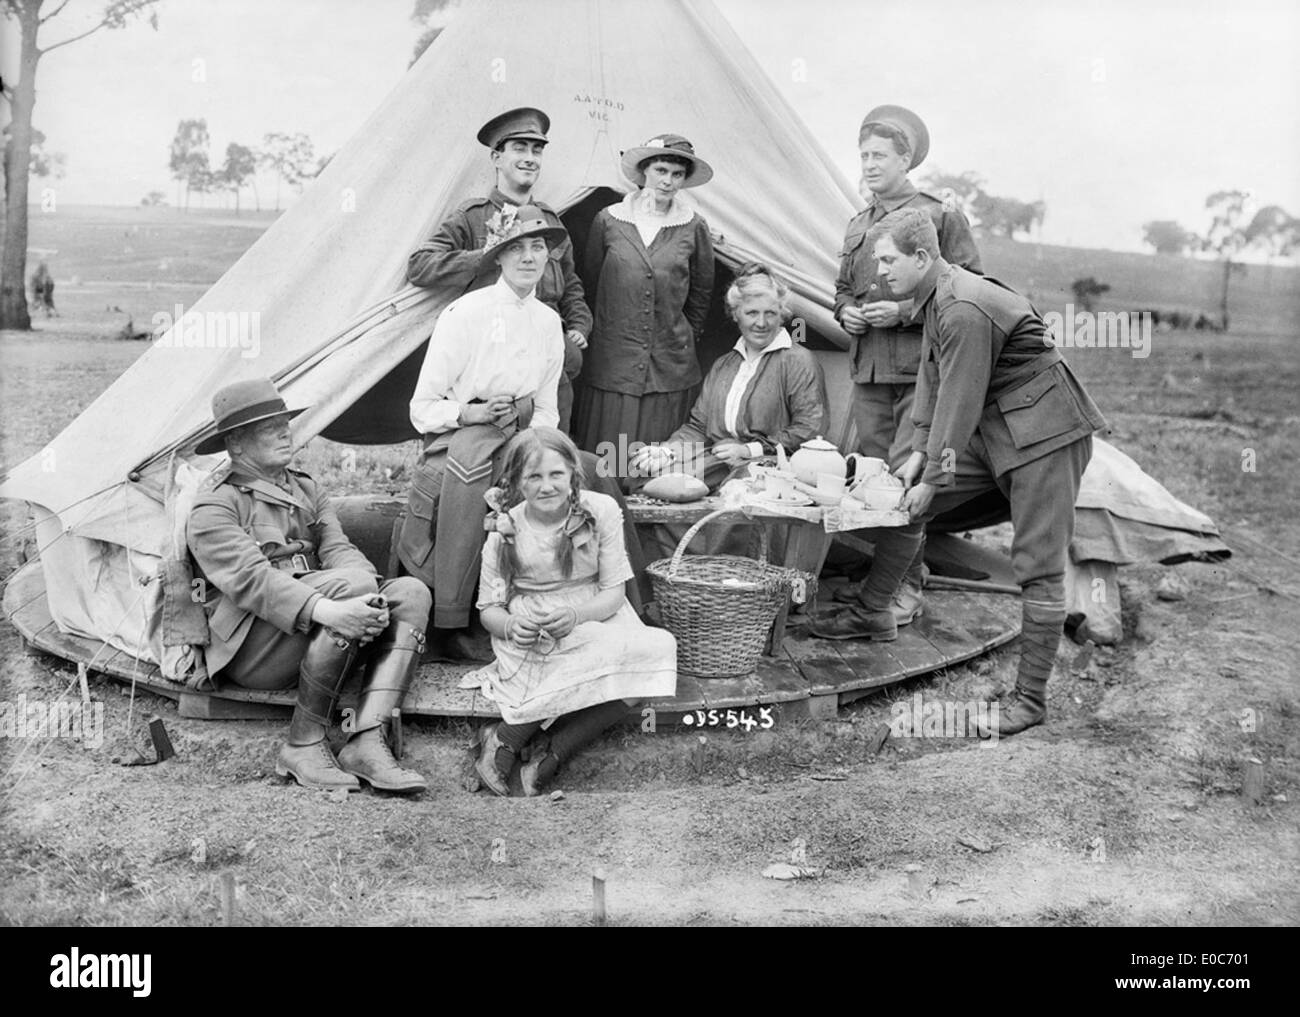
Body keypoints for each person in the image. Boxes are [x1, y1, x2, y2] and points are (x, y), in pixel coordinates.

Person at [811, 209, 1106, 738]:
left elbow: (960, 399)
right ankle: (876, 609)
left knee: (1036, 564)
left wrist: (933, 475)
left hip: (1045, 432)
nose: (879, 272)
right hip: (995, 429)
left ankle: (1029, 700)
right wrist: (916, 457)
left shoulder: (964, 305)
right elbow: (932, 381)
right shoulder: (936, 297)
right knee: (897, 498)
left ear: (922, 257)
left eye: (888, 260)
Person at [188, 378, 432, 793]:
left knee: (410, 593)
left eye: (285, 422)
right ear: (236, 445)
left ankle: (367, 742)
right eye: (270, 427)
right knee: (350, 586)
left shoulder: (305, 489)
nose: (285, 432)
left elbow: (339, 548)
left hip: (316, 626)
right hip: (254, 649)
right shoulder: (215, 505)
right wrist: (336, 610)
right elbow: (253, 581)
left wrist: (372, 600)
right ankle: (303, 743)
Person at [463, 428, 677, 796]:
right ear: (516, 482)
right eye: (534, 476)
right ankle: (506, 739)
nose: (546, 486)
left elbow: (613, 592)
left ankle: (551, 746)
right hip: (534, 621)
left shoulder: (602, 511)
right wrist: (512, 625)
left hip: (595, 611)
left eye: (556, 475)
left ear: (573, 475)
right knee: (565, 652)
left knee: (656, 648)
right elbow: (489, 609)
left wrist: (577, 616)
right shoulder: (504, 530)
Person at [832, 105, 981, 626]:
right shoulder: (857, 223)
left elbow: (969, 290)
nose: (869, 165)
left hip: (924, 371)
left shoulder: (939, 217)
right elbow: (843, 287)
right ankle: (885, 576)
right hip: (869, 372)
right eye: (864, 155)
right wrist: (845, 311)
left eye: (879, 156)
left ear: (906, 160)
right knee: (875, 483)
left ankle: (906, 590)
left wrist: (903, 310)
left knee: (903, 482)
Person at [397, 206, 567, 662]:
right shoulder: (465, 312)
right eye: (516, 248)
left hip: (523, 435)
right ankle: (459, 623)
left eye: (538, 247)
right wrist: (470, 414)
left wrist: (540, 451)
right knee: (477, 485)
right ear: (498, 256)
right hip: (461, 437)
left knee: (586, 475)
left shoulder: (550, 322)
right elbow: (422, 410)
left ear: (549, 256)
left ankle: (572, 612)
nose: (529, 257)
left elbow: (547, 408)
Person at [406, 107, 591, 432]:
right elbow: (420, 265)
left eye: (537, 150)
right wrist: (486, 256)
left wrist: (578, 327)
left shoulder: (550, 221)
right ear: (496, 157)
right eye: (519, 148)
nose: (530, 158)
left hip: (548, 359)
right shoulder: (472, 216)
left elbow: (571, 282)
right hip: (491, 364)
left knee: (548, 451)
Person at [630, 262, 828, 558]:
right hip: (718, 457)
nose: (761, 323)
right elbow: (698, 426)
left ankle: (723, 576)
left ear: (782, 316)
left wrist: (749, 451)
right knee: (643, 478)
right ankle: (677, 567)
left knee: (739, 495)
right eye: (752, 313)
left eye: (770, 313)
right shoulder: (726, 364)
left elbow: (809, 428)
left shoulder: (797, 360)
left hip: (769, 465)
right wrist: (669, 451)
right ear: (736, 314)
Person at [574, 134, 715, 455]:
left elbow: (701, 294)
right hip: (614, 359)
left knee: (655, 466)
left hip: (668, 362)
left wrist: (683, 337)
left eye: (677, 174)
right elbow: (592, 282)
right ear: (644, 172)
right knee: (609, 460)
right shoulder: (609, 220)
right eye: (661, 171)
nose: (668, 181)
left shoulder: (693, 226)